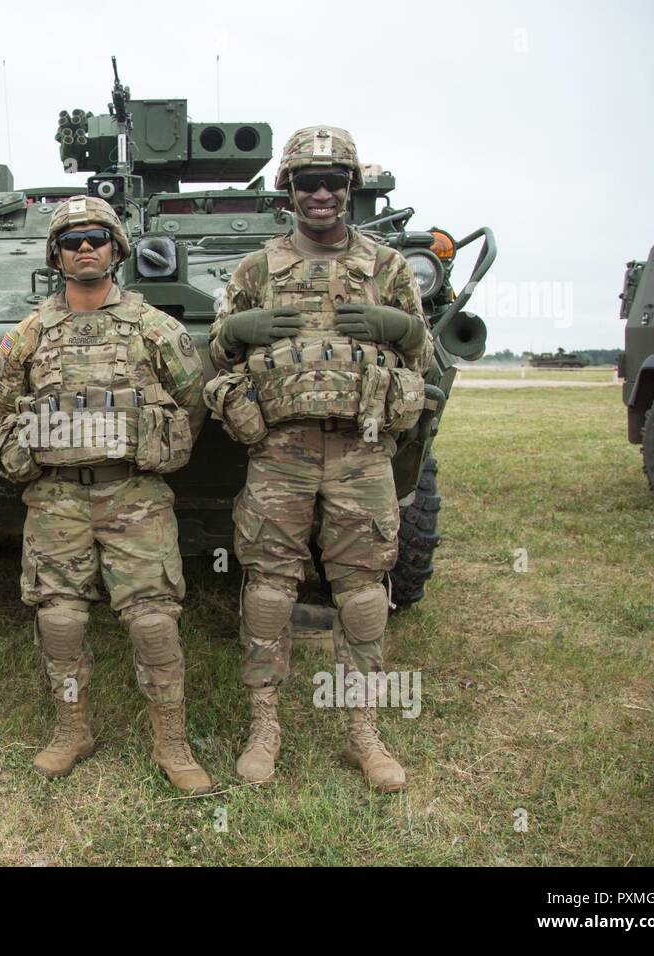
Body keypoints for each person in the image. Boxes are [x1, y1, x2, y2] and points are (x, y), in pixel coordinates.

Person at [206, 127, 433, 791]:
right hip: (281, 451)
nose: (323, 194)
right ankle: (264, 725)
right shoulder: (256, 270)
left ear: (351, 187)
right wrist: (235, 333)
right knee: (270, 592)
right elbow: (214, 359)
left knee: (363, 595)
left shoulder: (387, 267)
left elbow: (423, 359)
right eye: (309, 183)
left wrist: (402, 329)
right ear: (290, 191)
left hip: (363, 448)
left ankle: (364, 731)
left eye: (335, 181)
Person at [0, 196, 212, 794]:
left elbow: (192, 402)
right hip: (56, 497)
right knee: (59, 622)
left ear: (117, 248)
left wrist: (148, 443)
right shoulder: (27, 337)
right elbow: (5, 412)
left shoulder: (156, 328)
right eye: (71, 240)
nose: (84, 248)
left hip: (134, 493)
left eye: (96, 237)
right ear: (54, 255)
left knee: (154, 624)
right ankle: (72, 730)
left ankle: (172, 741)